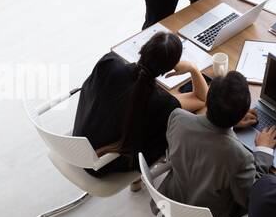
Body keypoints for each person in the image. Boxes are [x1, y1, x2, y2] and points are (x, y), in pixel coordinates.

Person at [153, 72, 276, 217]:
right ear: (243, 111)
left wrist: (228, 125)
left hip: (167, 210)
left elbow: (200, 144)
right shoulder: (239, 157)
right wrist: (263, 150)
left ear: (208, 97)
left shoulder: (177, 117)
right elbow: (251, 199)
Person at [72, 31, 206, 177]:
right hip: (101, 164)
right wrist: (193, 68)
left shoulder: (109, 64)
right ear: (170, 68)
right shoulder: (163, 104)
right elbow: (201, 98)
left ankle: (136, 183)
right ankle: (136, 180)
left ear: (143, 49)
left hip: (77, 143)